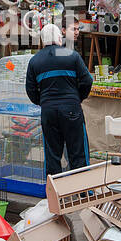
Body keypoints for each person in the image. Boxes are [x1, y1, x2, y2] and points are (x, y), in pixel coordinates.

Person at [25, 23, 93, 179]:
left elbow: (30, 90)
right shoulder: (72, 55)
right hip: (71, 109)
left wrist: (43, 102)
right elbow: (87, 81)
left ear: (42, 40)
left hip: (48, 111)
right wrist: (78, 98)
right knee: (78, 152)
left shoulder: (35, 61)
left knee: (52, 154)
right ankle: (82, 192)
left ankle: (55, 194)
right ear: (59, 37)